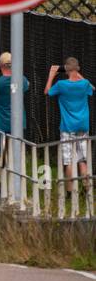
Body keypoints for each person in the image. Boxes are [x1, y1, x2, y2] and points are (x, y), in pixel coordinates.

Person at [44, 57, 92, 191]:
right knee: (83, 160)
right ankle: (87, 190)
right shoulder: (84, 83)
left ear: (66, 70)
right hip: (83, 126)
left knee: (68, 161)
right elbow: (92, 88)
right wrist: (77, 73)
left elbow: (47, 92)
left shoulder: (61, 85)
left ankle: (70, 193)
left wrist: (51, 75)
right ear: (78, 69)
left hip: (67, 127)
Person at [0, 52, 28, 199]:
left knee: (1, 158)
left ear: (0, 66)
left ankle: (2, 188)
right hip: (18, 124)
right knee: (17, 156)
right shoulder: (22, 80)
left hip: (1, 125)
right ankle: (19, 189)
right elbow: (26, 87)